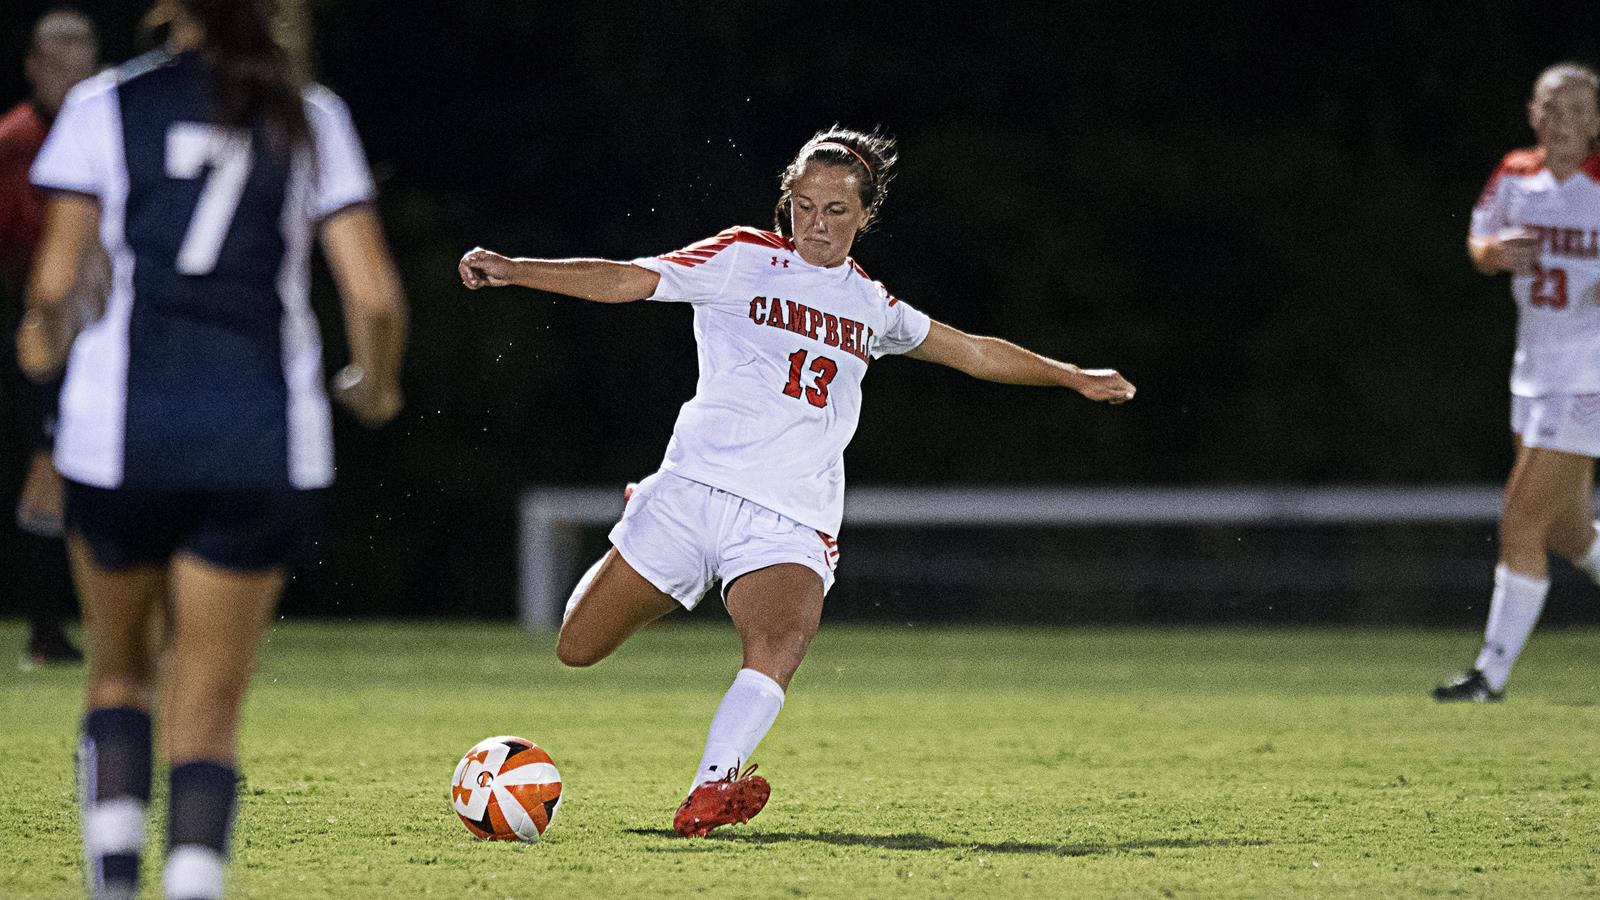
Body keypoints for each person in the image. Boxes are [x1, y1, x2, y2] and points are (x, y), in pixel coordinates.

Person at [459, 127, 1135, 836]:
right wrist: (517, 269)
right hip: (693, 492)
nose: (816, 224)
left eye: (836, 211)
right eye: (804, 206)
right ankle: (650, 527)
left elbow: (972, 352)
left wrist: (1071, 376)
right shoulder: (742, 257)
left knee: (779, 643)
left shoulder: (874, 305)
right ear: (787, 203)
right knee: (577, 647)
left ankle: (709, 792)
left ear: (867, 216)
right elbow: (631, 277)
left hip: (789, 514)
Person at [19, 1, 407, 896]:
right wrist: (375, 387)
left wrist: (43, 340)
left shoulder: (104, 104)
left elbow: (55, 281)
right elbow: (375, 298)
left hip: (122, 434)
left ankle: (114, 879)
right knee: (210, 700)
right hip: (259, 437)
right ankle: (195, 883)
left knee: (118, 673)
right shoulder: (310, 113)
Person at [1436, 63, 1600, 703]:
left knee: (1520, 523)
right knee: (1567, 532)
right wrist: (1491, 254)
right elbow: (1479, 244)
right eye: (1554, 105)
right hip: (1532, 375)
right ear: (1534, 114)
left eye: (1581, 105)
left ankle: (1490, 677)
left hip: (1589, 378)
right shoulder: (1515, 173)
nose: (1567, 117)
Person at [0, 7, 100, 666]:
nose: (69, 77)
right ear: (33, 67)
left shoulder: (110, 129)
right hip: (36, 321)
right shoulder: (15, 140)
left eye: (81, 63)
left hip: (102, 322)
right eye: (55, 63)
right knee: (48, 465)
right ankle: (43, 625)